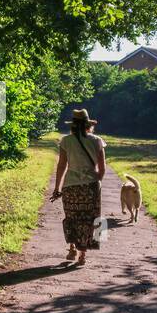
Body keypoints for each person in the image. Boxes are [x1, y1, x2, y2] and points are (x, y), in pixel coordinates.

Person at [50, 108, 106, 266]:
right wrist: (97, 183)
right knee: (89, 219)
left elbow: (61, 166)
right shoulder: (97, 141)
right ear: (89, 124)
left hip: (71, 186)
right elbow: (102, 168)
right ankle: (83, 256)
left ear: (73, 125)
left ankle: (72, 248)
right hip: (91, 187)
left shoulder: (66, 141)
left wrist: (57, 187)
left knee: (72, 217)